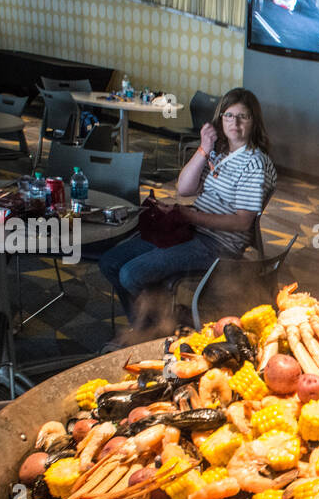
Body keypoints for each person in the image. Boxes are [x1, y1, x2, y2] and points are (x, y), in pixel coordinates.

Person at [99, 87, 277, 330]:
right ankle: (150, 325)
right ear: (220, 119)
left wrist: (190, 215)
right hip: (190, 229)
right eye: (229, 116)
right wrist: (204, 148)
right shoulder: (221, 152)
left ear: (254, 122)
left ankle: (156, 328)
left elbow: (242, 222)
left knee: (131, 274)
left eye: (243, 116)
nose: (235, 122)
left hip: (219, 244)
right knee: (110, 261)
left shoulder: (255, 163)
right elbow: (184, 188)